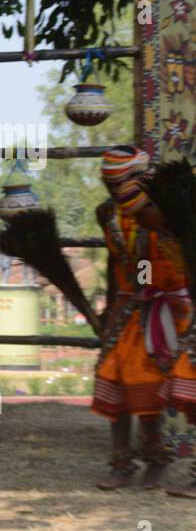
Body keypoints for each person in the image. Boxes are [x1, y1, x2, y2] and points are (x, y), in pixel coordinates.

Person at [92, 147, 196, 490]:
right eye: (109, 184)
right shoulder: (109, 215)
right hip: (138, 308)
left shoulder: (175, 211)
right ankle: (129, 463)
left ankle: (168, 467)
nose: (114, 190)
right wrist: (112, 307)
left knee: (189, 385)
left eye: (118, 181)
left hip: (179, 307)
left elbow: (153, 270)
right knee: (121, 377)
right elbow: (130, 268)